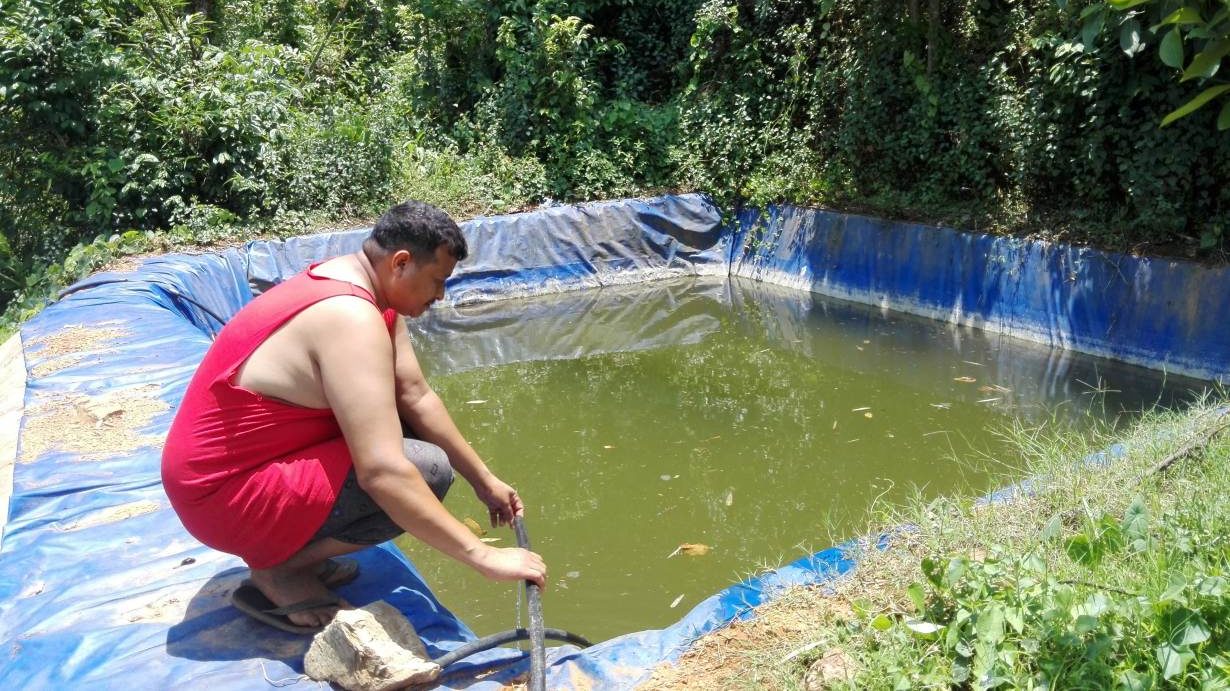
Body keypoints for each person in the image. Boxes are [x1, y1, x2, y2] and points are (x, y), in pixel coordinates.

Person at [162, 200, 545, 633]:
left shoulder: (368, 293)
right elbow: (381, 471)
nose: (440, 296)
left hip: (241, 476)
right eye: (437, 281)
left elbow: (414, 395)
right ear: (401, 263)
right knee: (423, 470)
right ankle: (279, 568)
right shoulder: (350, 316)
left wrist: (484, 480)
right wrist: (483, 555)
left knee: (403, 430)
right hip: (220, 496)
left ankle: (289, 552)